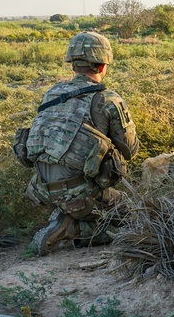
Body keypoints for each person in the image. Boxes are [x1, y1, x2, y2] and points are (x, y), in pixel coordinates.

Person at [17, 30, 139, 256]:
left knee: (90, 204)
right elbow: (130, 150)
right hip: (78, 193)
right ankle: (72, 227)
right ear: (102, 65)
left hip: (40, 189)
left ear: (72, 64)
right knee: (133, 216)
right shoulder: (108, 98)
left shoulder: (52, 94)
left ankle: (68, 218)